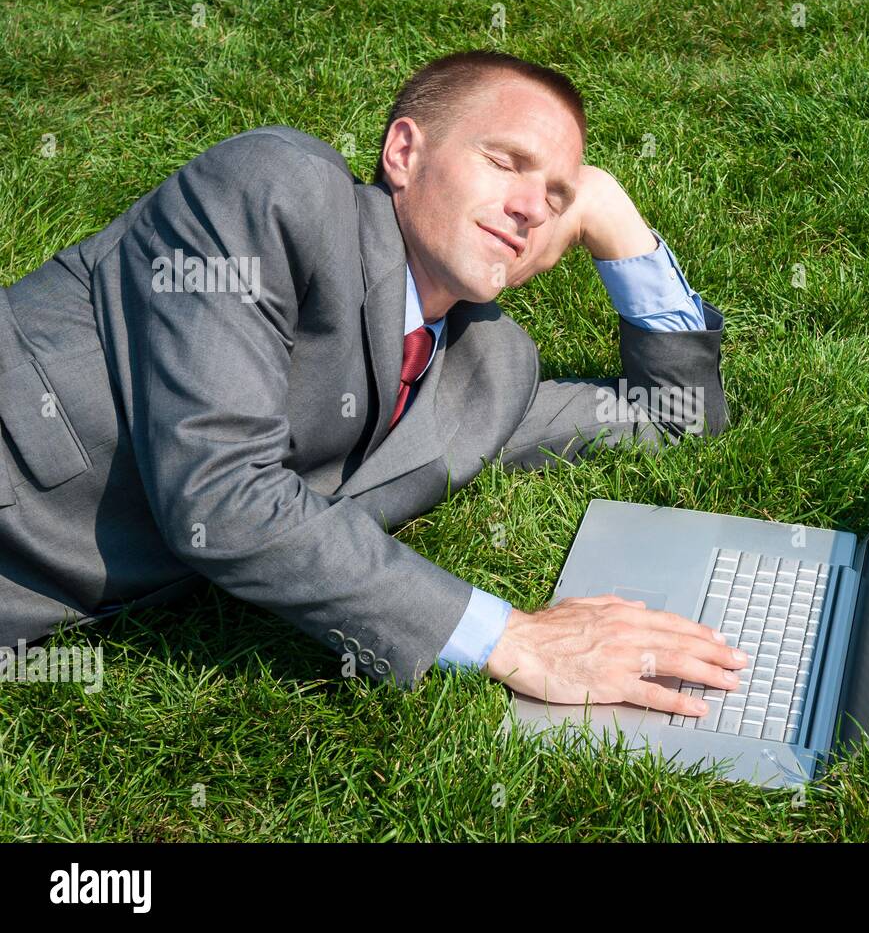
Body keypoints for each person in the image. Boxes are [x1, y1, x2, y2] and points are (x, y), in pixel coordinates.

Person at [0, 49, 746, 718]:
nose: (529, 207)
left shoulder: (492, 369)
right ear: (404, 152)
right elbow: (220, 492)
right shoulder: (277, 190)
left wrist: (615, 221)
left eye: (555, 198)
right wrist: (513, 638)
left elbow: (677, 416)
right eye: (505, 161)